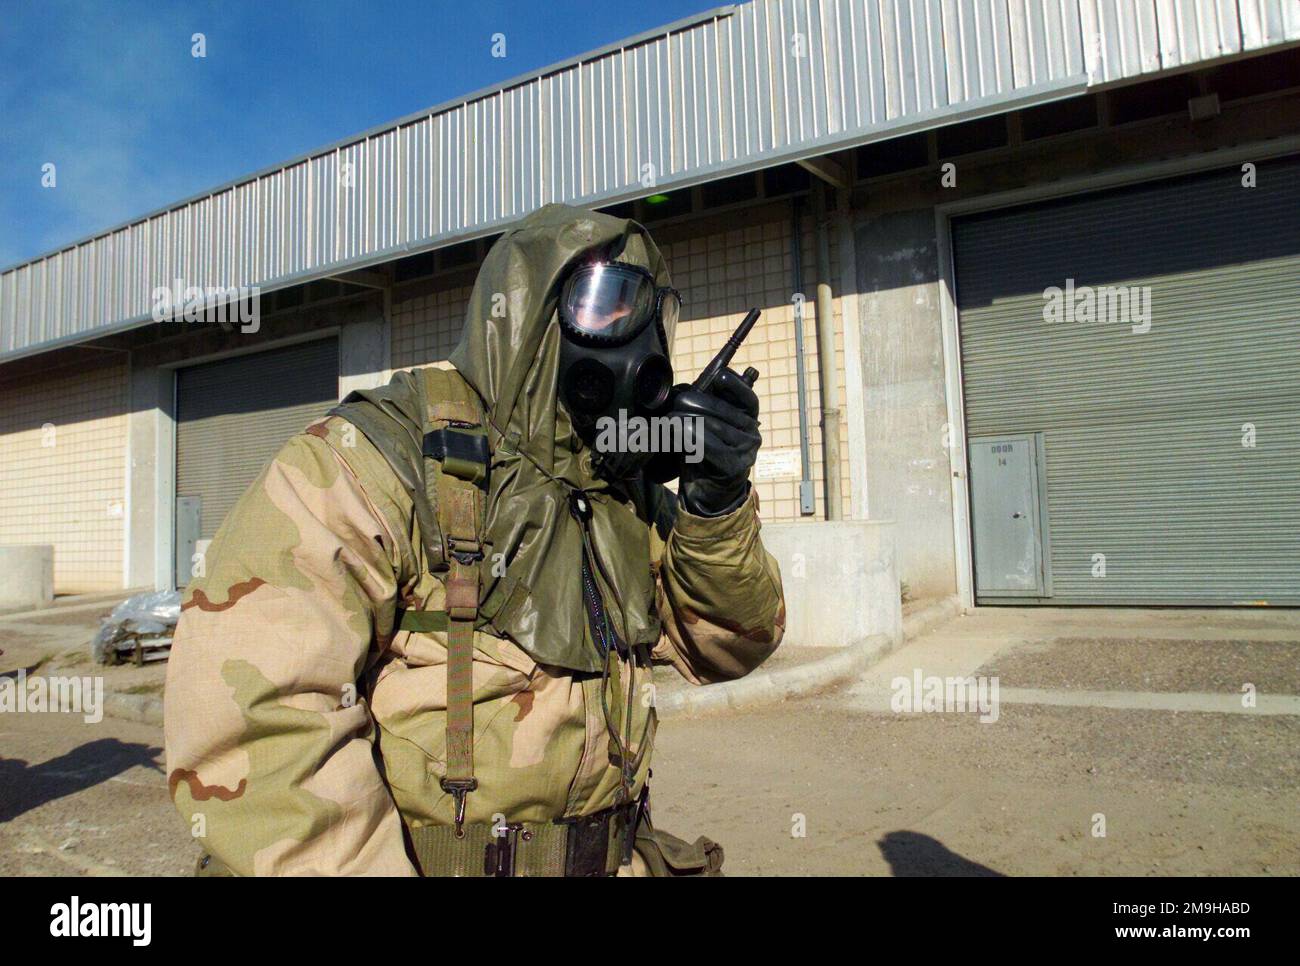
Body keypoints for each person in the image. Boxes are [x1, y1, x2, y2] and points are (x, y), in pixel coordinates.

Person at [164, 203, 786, 876]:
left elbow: (730, 644)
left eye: (654, 316)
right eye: (606, 303)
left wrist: (714, 501)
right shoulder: (382, 458)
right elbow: (257, 721)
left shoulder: (618, 488)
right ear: (528, 316)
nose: (640, 339)